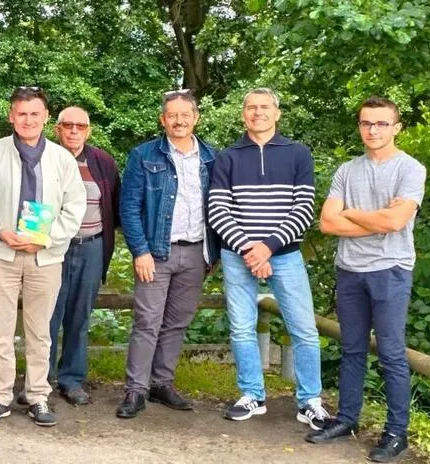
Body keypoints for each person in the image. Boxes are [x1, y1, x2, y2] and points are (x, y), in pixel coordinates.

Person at [306, 96, 425, 463]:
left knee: (391, 353)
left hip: (391, 271)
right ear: (359, 126)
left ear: (396, 127)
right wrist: (373, 217)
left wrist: (353, 214)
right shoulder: (347, 170)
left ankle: (395, 433)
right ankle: (346, 419)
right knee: (352, 349)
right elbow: (327, 223)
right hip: (350, 271)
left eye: (381, 123)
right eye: (366, 123)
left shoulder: (410, 169)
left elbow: (394, 223)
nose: (373, 130)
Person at [0, 86, 86, 427]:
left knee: (39, 331)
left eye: (35, 113)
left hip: (46, 257)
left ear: (46, 117)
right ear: (11, 116)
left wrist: (45, 239)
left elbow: (75, 208)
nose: (28, 120)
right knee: (0, 330)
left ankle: (37, 396)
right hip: (2, 253)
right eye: (21, 113)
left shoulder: (62, 159)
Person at [208, 88, 331, 430]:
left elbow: (304, 208)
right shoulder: (227, 157)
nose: (257, 112)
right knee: (242, 327)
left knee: (304, 329)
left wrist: (268, 247)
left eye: (264, 107)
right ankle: (252, 395)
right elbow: (218, 210)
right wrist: (250, 249)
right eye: (251, 107)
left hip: (286, 255)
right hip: (238, 255)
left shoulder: (298, 154)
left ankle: (309, 402)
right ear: (243, 114)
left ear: (277, 113)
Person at [116, 90, 220, 418]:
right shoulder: (144, 155)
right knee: (147, 321)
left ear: (196, 117)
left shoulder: (212, 158)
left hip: (195, 254)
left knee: (177, 322)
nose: (179, 121)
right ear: (163, 119)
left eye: (185, 115)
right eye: (172, 115)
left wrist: (212, 251)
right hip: (155, 253)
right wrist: (140, 251)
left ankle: (162, 383)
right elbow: (129, 207)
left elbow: (219, 206)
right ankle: (136, 390)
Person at [48, 106, 120, 406]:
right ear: (57, 129)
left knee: (79, 317)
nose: (74, 130)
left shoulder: (102, 162)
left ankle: (72, 379)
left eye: (80, 126)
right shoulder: (44, 157)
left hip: (91, 246)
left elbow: (114, 205)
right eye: (68, 125)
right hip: (52, 249)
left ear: (88, 130)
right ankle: (42, 381)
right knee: (47, 317)